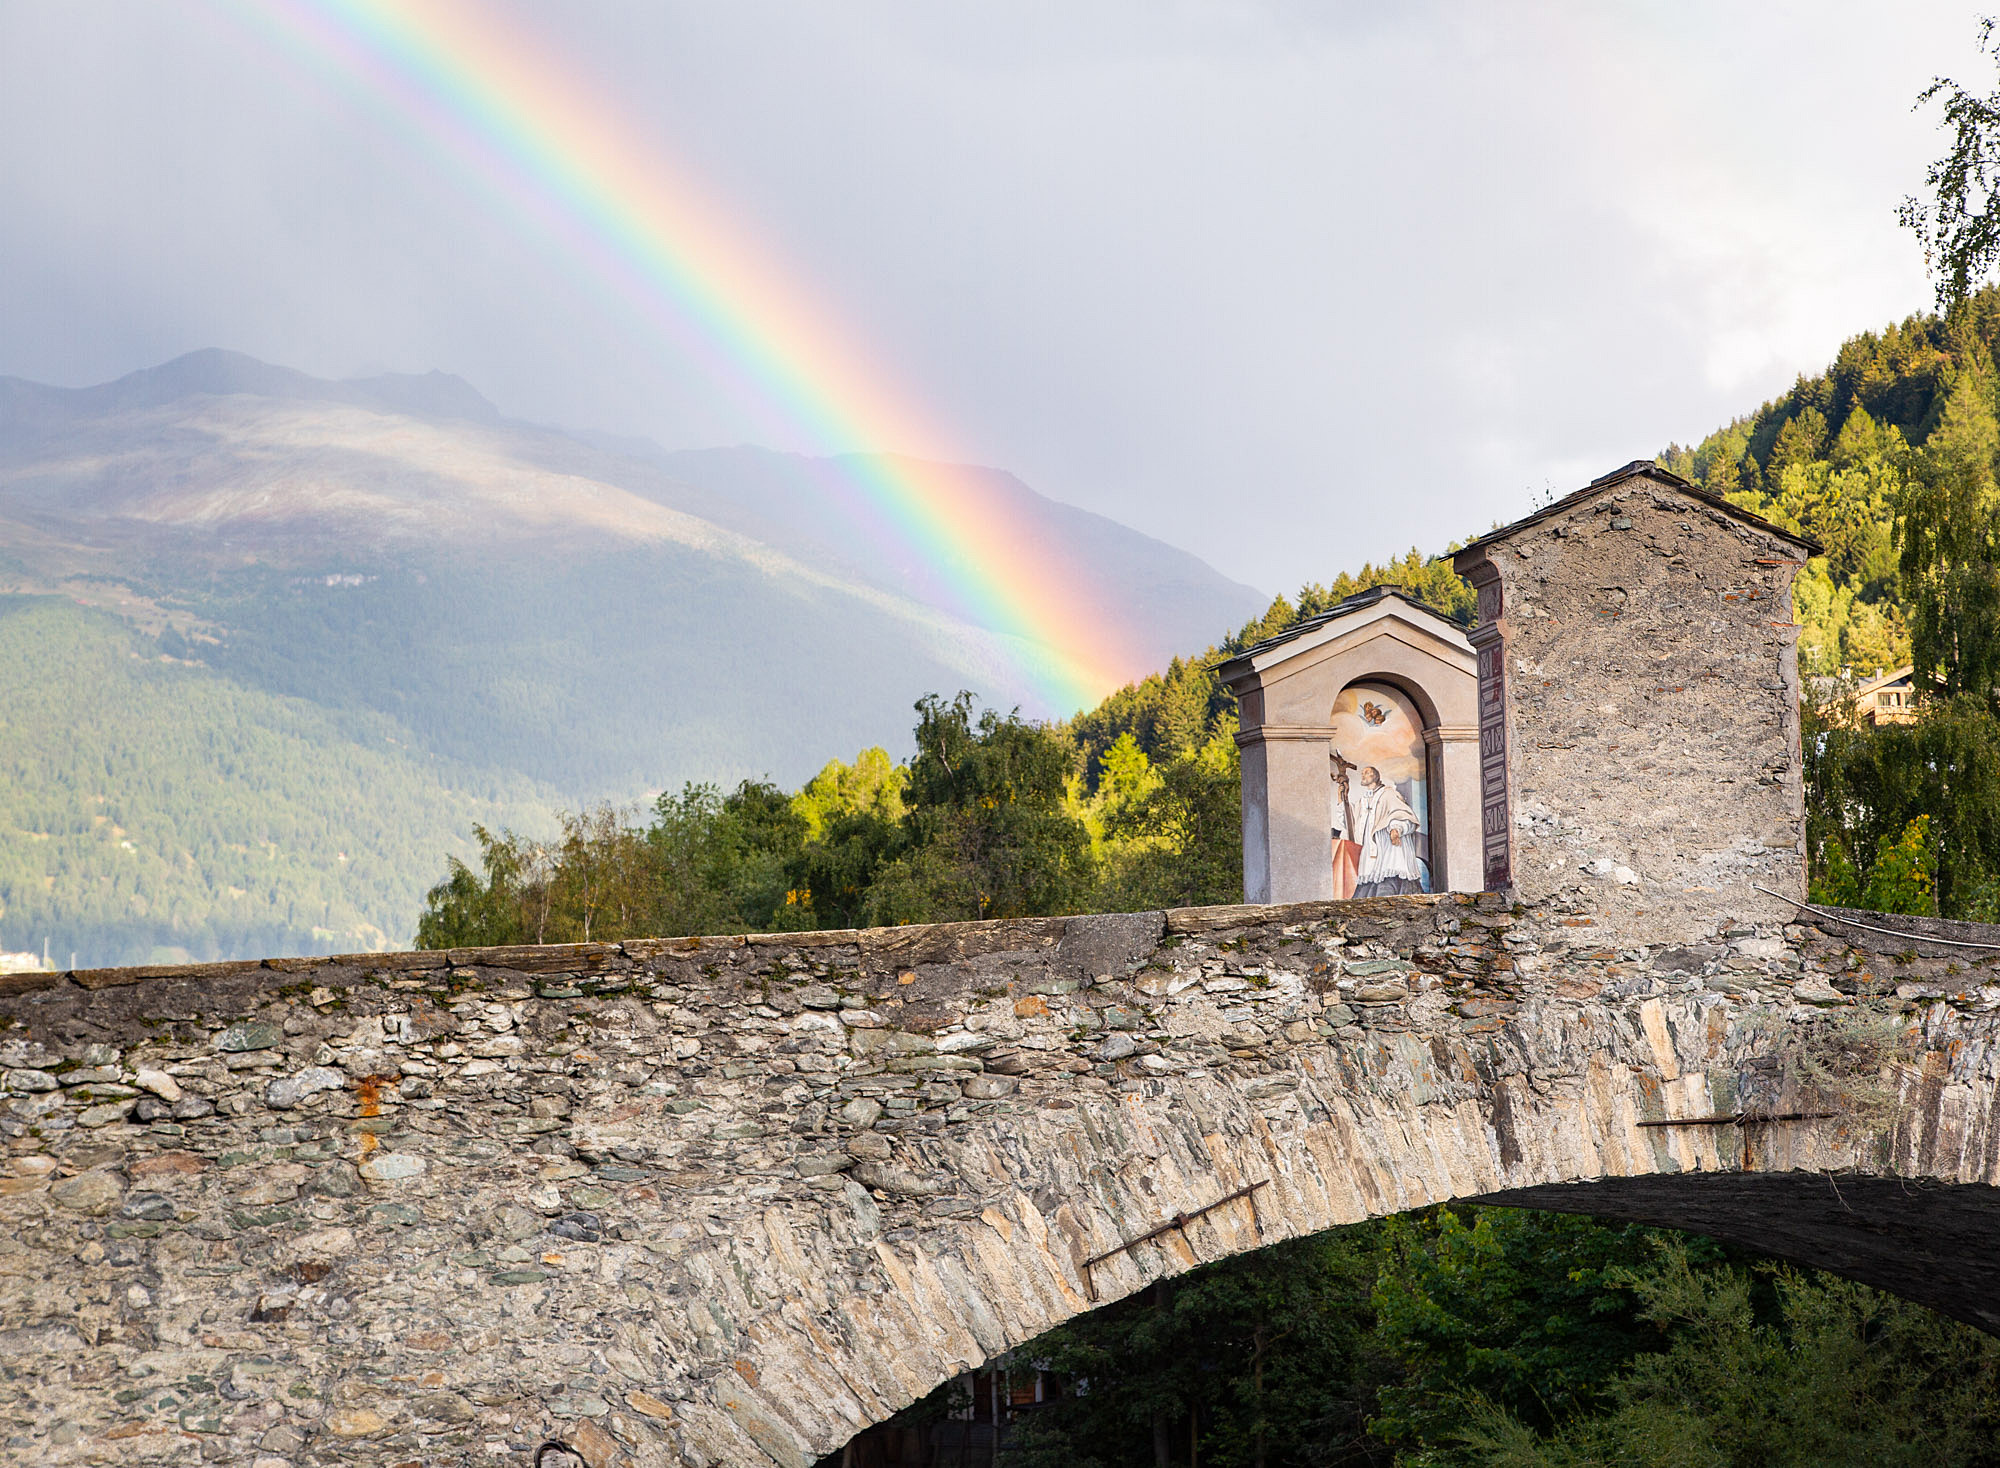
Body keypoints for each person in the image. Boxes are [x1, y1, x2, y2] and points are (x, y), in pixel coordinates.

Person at [1334, 765, 1428, 897]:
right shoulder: (1363, 801)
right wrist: (1342, 797)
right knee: (1367, 891)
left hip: (1388, 849)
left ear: (1376, 777)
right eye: (1362, 773)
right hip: (1370, 854)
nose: (1363, 775)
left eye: (1366, 773)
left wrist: (1397, 829)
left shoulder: (1388, 794)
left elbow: (1403, 814)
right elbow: (1350, 822)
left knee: (1389, 887)